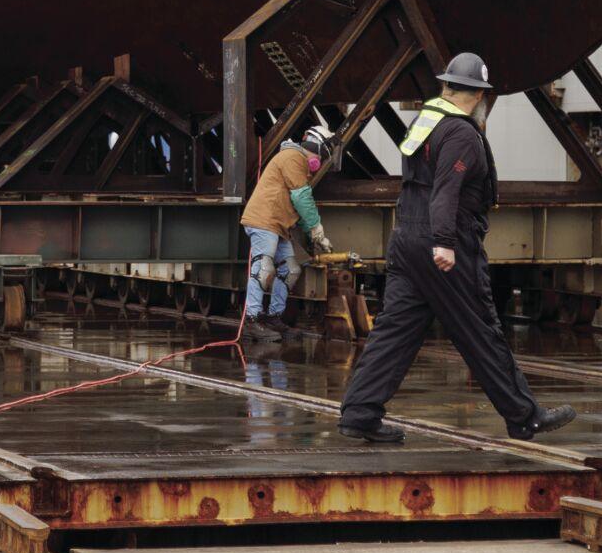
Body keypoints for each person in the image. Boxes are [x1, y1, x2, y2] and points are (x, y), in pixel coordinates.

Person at [338, 52, 575, 444]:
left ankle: (360, 413)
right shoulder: (462, 133)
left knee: (395, 330)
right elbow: (446, 190)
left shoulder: (425, 120)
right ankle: (524, 416)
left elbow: (418, 181)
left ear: (447, 86)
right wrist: (445, 243)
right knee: (481, 330)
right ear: (481, 94)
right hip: (444, 245)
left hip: (407, 239)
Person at [237, 125, 337, 341]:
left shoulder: (297, 162)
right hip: (265, 220)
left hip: (279, 225)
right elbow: (302, 198)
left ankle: (274, 317)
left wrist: (313, 235)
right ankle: (252, 320)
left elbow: (297, 205)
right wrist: (317, 231)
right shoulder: (294, 157)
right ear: (317, 148)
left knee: (290, 269)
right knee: (263, 267)